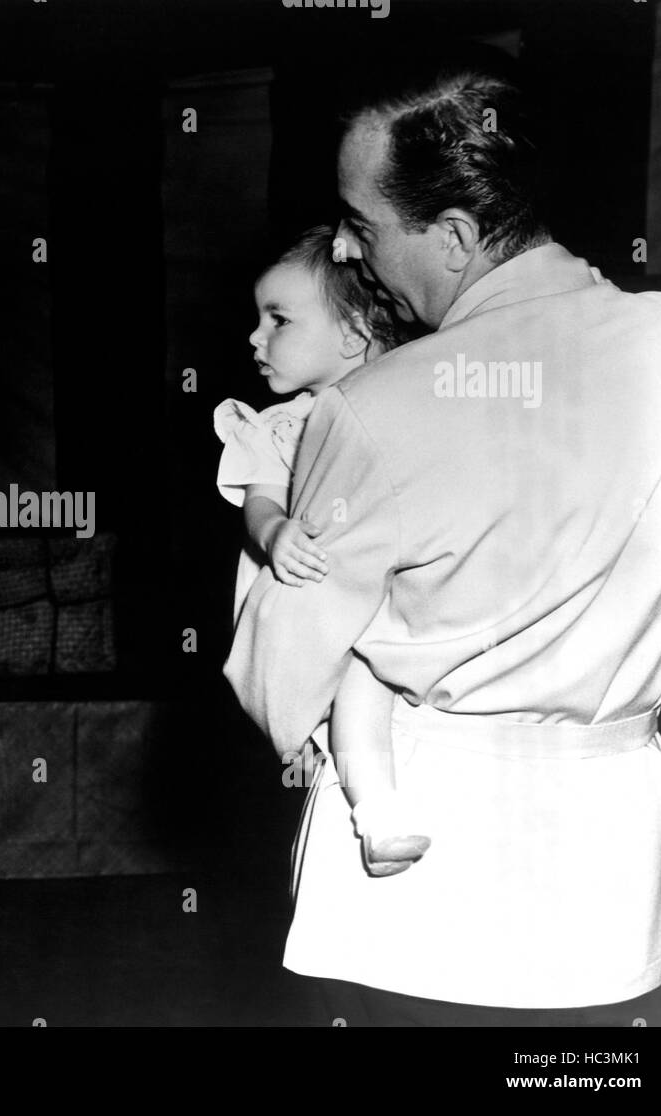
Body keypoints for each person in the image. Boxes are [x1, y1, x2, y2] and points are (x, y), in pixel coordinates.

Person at [224, 63, 661, 1024]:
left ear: (456, 237)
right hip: (619, 879)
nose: (347, 251)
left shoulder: (371, 407)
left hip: (421, 890)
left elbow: (280, 668)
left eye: (361, 221)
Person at [214, 226, 429, 877]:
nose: (256, 337)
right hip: (323, 618)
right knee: (352, 698)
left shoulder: (412, 409)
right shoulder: (283, 425)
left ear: (354, 332)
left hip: (397, 601)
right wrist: (275, 531)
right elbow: (259, 500)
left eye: (278, 319)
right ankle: (370, 810)